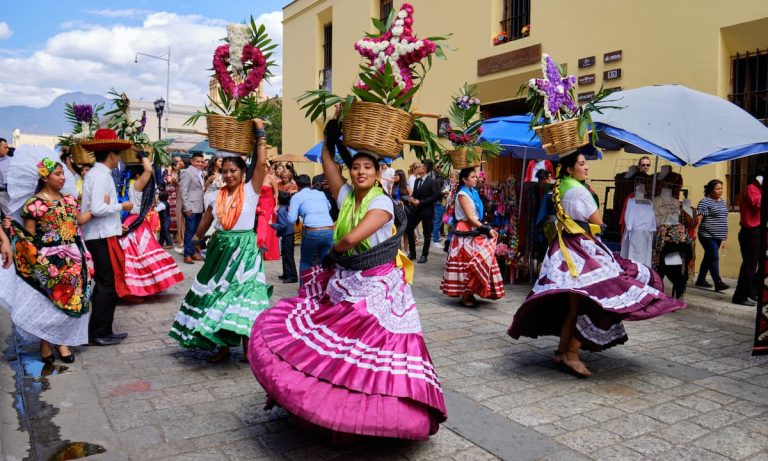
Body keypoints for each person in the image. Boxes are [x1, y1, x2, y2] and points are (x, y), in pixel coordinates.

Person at [248, 112, 447, 441]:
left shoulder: (381, 201)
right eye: (355, 167)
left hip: (379, 287)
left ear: (378, 171)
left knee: (364, 354)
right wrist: (331, 135)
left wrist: (333, 251)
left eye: (367, 167)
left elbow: (352, 238)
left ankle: (358, 420)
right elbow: (328, 162)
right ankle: (330, 413)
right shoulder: (347, 196)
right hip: (350, 280)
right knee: (340, 350)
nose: (360, 172)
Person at [508, 152, 685, 378]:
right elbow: (597, 220)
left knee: (575, 304)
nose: (587, 167)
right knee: (590, 301)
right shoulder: (578, 191)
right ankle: (571, 354)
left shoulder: (560, 186)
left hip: (565, 250)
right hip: (580, 250)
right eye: (582, 164)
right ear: (570, 169)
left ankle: (564, 351)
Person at [169, 119, 272, 363]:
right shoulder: (216, 195)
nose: (228, 175)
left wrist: (260, 134)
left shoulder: (251, 191)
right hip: (220, 250)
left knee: (243, 296)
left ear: (242, 172)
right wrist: (195, 239)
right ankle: (222, 347)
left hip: (244, 250)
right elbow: (206, 218)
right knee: (216, 296)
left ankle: (248, 350)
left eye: (233, 171)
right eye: (224, 171)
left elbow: (260, 163)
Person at [0, 158, 96, 363]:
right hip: (50, 262)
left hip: (76, 258)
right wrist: (10, 232)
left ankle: (60, 342)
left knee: (73, 301)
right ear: (45, 177)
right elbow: (29, 236)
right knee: (50, 303)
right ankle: (47, 342)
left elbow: (76, 222)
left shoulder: (69, 200)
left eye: (63, 174)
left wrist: (97, 210)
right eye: (58, 174)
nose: (62, 178)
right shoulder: (35, 204)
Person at [79, 129, 134, 346]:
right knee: (106, 284)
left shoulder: (98, 174)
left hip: (103, 233)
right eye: (118, 153)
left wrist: (115, 223)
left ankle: (105, 330)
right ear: (111, 154)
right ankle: (98, 332)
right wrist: (123, 205)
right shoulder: (100, 175)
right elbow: (99, 208)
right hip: (100, 237)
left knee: (108, 283)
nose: (119, 158)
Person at [113, 154, 184, 298]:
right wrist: (143, 156)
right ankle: (142, 287)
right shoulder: (136, 185)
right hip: (137, 223)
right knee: (142, 255)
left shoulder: (127, 185)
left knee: (136, 256)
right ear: (138, 174)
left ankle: (139, 286)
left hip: (131, 221)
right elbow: (149, 171)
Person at [441, 167, 505, 306]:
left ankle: (472, 291)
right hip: (466, 230)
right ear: (464, 179)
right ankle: (465, 294)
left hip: (474, 228)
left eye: (476, 176)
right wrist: (486, 229)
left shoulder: (472, 193)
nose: (477, 179)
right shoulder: (463, 195)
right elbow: (470, 217)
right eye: (473, 177)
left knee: (480, 258)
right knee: (467, 260)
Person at [287, 174, 334, 277]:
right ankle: (324, 289)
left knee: (306, 261)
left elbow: (291, 219)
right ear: (310, 184)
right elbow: (329, 207)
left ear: (298, 186)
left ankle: (305, 289)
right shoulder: (320, 193)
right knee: (326, 262)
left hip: (312, 231)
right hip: (329, 229)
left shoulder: (296, 196)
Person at [694, 179, 730, 292]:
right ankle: (718, 282)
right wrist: (693, 231)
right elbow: (699, 218)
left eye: (721, 188)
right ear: (710, 190)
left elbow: (723, 218)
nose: (720, 191)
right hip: (706, 234)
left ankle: (700, 279)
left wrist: (725, 232)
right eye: (717, 189)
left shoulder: (723, 202)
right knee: (714, 256)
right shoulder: (705, 201)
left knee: (709, 256)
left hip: (718, 235)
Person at [733, 175, 762, 306]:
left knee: (756, 264)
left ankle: (752, 291)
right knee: (749, 265)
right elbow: (757, 204)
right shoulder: (752, 188)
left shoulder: (758, 189)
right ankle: (740, 295)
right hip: (751, 232)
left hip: (757, 231)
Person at [405, 161, 442, 263]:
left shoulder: (432, 182)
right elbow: (415, 194)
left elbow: (435, 197)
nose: (418, 168)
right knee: (409, 228)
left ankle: (424, 255)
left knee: (427, 233)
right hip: (416, 210)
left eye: (420, 167)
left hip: (427, 211)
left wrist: (420, 202)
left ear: (425, 169)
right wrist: (411, 199)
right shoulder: (417, 181)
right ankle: (412, 253)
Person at [179, 153, 206, 264]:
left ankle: (193, 252)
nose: (200, 163)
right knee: (190, 231)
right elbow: (183, 191)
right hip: (190, 206)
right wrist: (186, 207)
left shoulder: (201, 173)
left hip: (199, 206)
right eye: (197, 161)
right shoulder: (187, 172)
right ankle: (187, 254)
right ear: (192, 161)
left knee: (196, 231)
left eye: (201, 161)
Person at [271, 191, 298, 283]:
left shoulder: (282, 211)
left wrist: (272, 225)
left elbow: (282, 225)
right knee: (286, 254)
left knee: (288, 255)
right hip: (289, 234)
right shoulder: (286, 208)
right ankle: (286, 273)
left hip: (287, 234)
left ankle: (292, 276)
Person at [256, 163, 281, 261]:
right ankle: (261, 249)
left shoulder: (271, 178)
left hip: (269, 205)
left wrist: (276, 205)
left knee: (269, 228)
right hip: (260, 204)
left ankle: (269, 252)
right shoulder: (258, 178)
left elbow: (276, 192)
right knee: (261, 227)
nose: (264, 169)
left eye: (265, 167)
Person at [0, 138, 10, 216]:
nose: (8, 150)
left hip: (5, 195)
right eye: (5, 147)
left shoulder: (12, 161)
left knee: (12, 218)